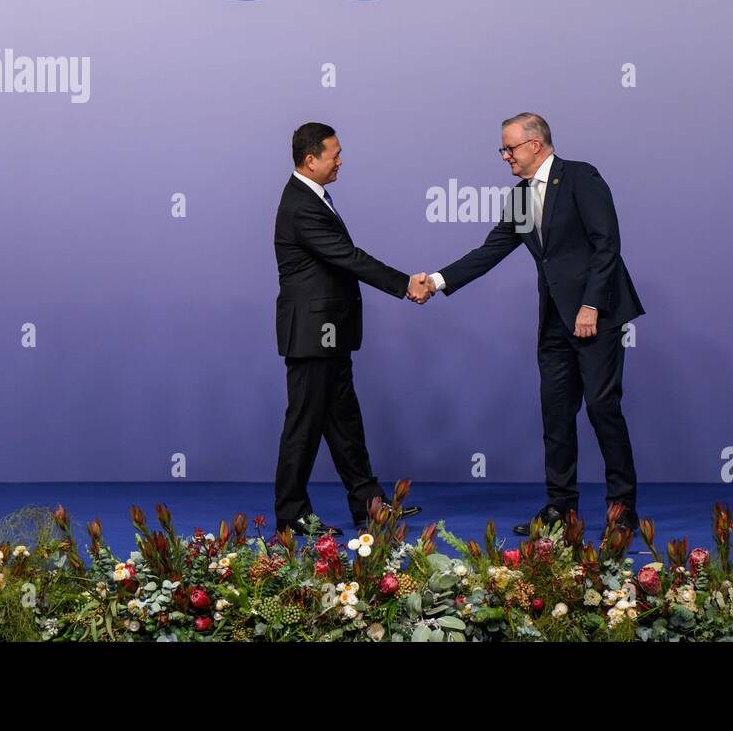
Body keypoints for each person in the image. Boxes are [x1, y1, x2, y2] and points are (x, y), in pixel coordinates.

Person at [416, 113, 643, 535]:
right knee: (555, 413)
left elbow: (606, 244)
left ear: (536, 144)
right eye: (503, 149)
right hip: (555, 321)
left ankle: (621, 506)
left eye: (510, 148)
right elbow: (491, 251)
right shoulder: (520, 198)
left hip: (596, 315)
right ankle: (560, 508)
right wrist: (436, 282)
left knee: (602, 408)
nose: (505, 156)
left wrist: (591, 305)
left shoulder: (581, 177)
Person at [273, 122, 430, 537]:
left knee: (344, 421)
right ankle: (291, 515)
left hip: (329, 333)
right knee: (303, 426)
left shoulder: (313, 198)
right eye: (334, 154)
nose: (341, 160)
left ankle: (369, 507)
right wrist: (404, 284)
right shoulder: (302, 205)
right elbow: (349, 257)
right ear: (311, 159)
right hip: (312, 334)